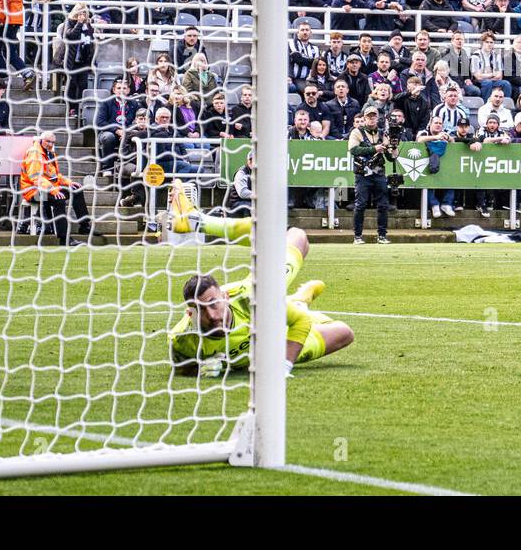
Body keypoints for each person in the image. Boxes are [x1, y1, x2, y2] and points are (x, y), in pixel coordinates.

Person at [168, 225, 354, 378]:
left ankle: (297, 302)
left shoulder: (251, 297)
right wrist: (199, 369)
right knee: (344, 333)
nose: (212, 315)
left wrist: (284, 366)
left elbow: (301, 321)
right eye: (201, 310)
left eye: (214, 304)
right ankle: (297, 302)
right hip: (271, 349)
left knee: (298, 236)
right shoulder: (181, 339)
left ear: (225, 297)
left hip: (263, 292)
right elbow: (180, 368)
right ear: (190, 314)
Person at [20, 131, 92, 245]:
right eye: (48, 141)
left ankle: (85, 226)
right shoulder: (34, 153)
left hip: (47, 189)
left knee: (76, 190)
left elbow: (54, 175)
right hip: (33, 192)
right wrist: (54, 191)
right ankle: (64, 239)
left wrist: (69, 182)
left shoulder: (49, 153)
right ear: (41, 140)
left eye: (52, 142)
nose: (50, 144)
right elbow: (36, 178)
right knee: (59, 199)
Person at [348, 104, 397, 244]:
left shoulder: (383, 134)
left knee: (383, 205)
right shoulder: (357, 132)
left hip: (379, 172)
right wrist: (374, 148)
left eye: (374, 116)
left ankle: (382, 235)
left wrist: (393, 147)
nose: (371, 119)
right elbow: (353, 150)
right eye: (369, 116)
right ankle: (357, 236)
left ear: (377, 118)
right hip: (362, 173)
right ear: (364, 118)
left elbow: (391, 157)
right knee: (360, 205)